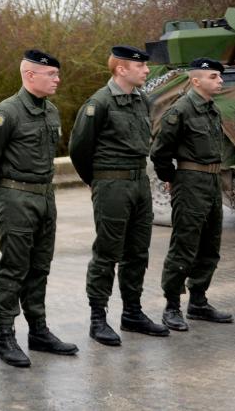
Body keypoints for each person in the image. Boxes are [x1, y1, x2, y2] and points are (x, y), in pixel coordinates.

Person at [0, 49, 79, 367]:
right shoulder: (6, 113)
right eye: (52, 74)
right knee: (14, 269)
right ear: (30, 75)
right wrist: (8, 191)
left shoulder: (51, 112)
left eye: (58, 74)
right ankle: (6, 336)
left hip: (46, 198)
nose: (58, 79)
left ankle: (39, 331)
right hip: (17, 199)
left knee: (39, 267)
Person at [68, 45, 170, 347]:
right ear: (121, 69)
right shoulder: (99, 103)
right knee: (107, 252)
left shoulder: (142, 99)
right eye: (140, 66)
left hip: (140, 183)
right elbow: (79, 149)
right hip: (112, 185)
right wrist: (99, 182)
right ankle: (98, 319)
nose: (147, 70)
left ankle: (132, 313)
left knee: (138, 252)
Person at [150, 57, 234, 330]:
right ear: (195, 80)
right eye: (213, 76)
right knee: (185, 245)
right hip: (190, 180)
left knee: (210, 245)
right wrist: (173, 178)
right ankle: (172, 306)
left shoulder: (211, 109)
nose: (219, 80)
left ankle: (198, 302)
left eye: (220, 77)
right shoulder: (181, 109)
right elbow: (160, 151)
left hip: (210, 180)